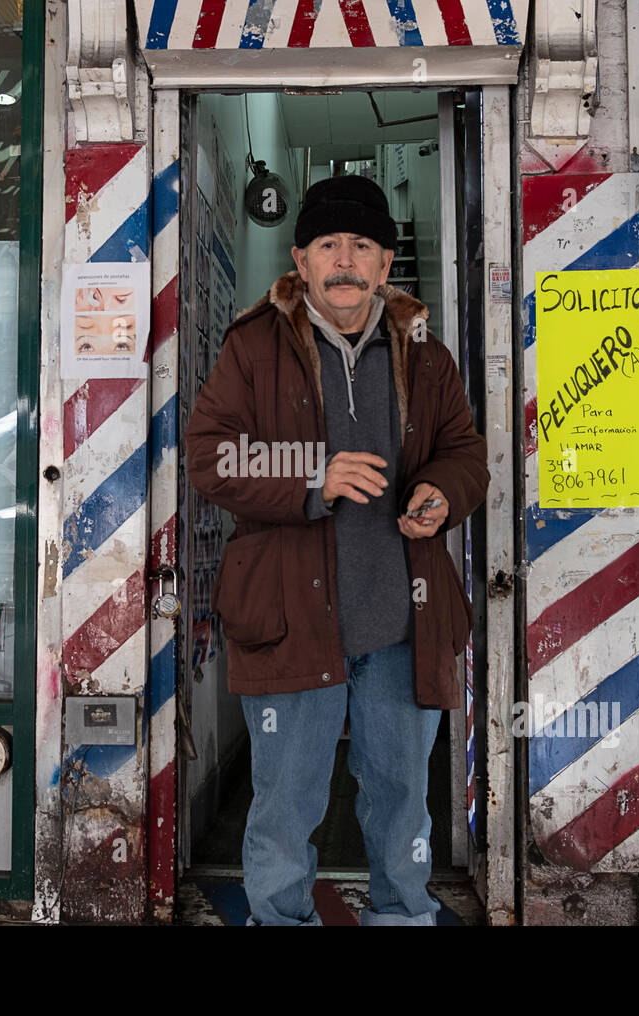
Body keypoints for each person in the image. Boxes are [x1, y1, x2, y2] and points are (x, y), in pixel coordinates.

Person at [185, 175, 489, 926]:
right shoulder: (253, 347)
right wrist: (312, 478)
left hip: (400, 626)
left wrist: (443, 495)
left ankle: (402, 916)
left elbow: (465, 454)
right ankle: (280, 920)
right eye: (328, 245)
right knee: (285, 805)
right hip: (290, 624)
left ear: (387, 263)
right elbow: (211, 457)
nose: (345, 259)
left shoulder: (426, 356)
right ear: (300, 259)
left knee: (402, 801)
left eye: (362, 245)